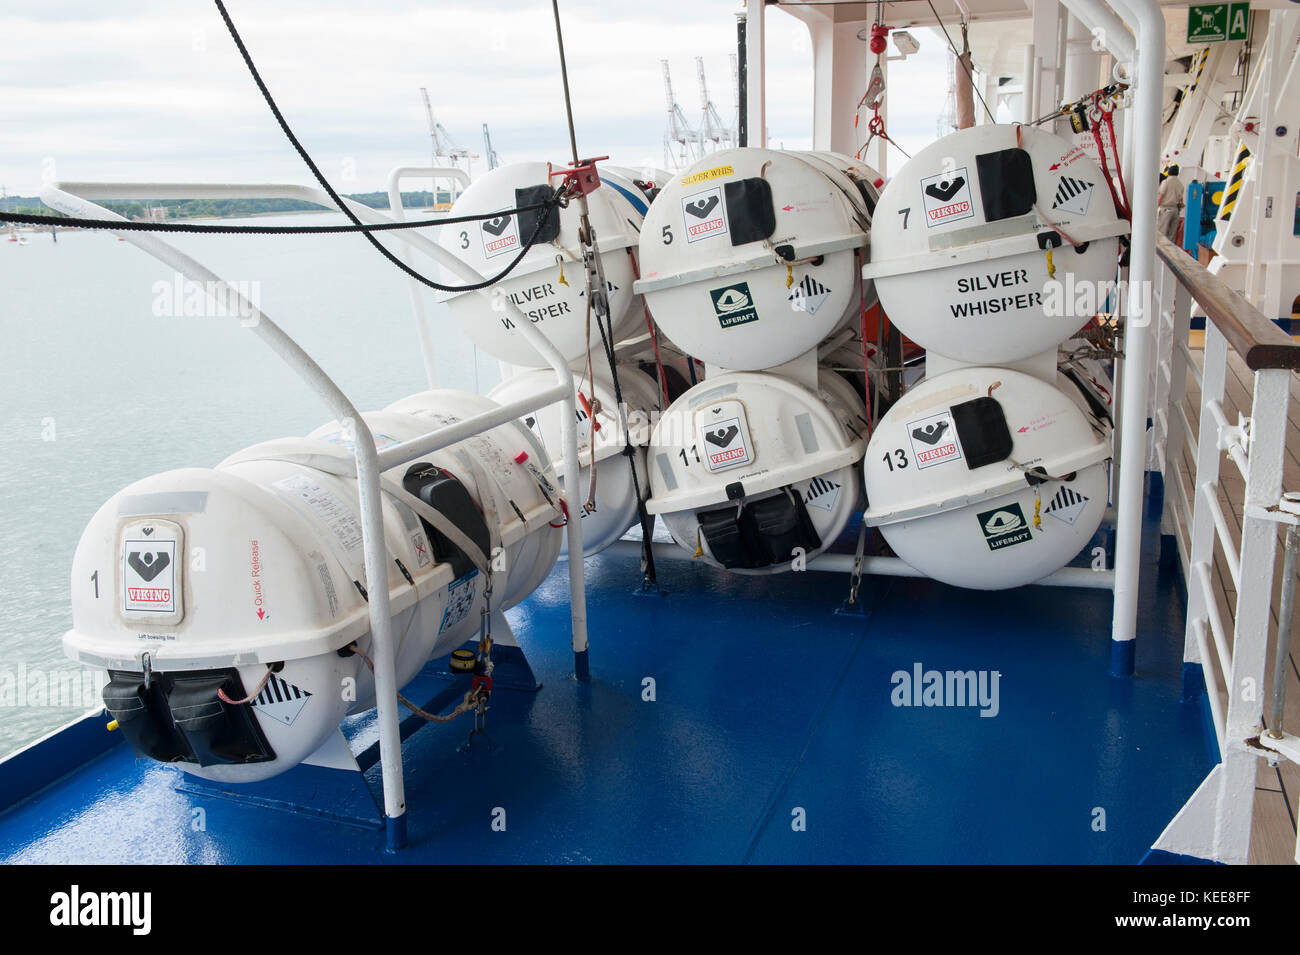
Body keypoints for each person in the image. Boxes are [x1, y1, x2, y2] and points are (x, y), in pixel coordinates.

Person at [1157, 164, 1185, 240]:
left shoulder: (1166, 182)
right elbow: (1181, 201)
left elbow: (1161, 196)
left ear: (1168, 172)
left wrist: (1156, 206)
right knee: (1172, 235)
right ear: (1177, 173)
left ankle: (1159, 251)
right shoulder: (1180, 184)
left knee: (1162, 233)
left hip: (1165, 209)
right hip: (1175, 211)